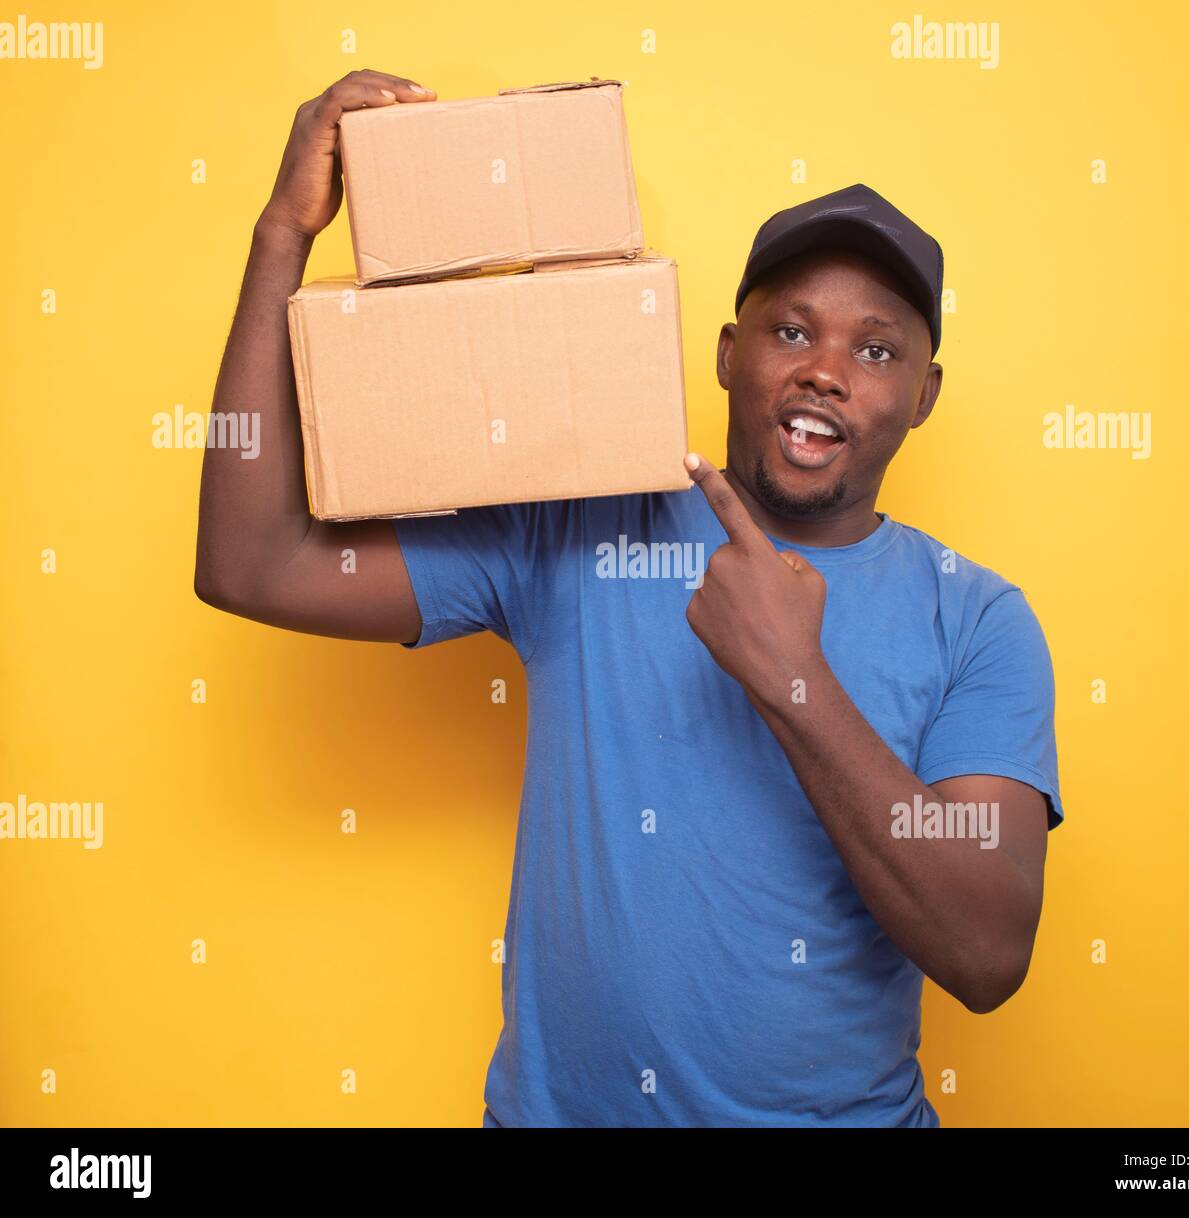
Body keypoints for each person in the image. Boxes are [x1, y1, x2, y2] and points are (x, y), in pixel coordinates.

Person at [195, 69, 1064, 1128]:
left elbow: (985, 953)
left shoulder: (976, 619)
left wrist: (791, 677)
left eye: (876, 349)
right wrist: (282, 233)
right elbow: (254, 560)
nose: (827, 371)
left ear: (922, 396)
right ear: (725, 355)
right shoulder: (580, 521)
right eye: (791, 332)